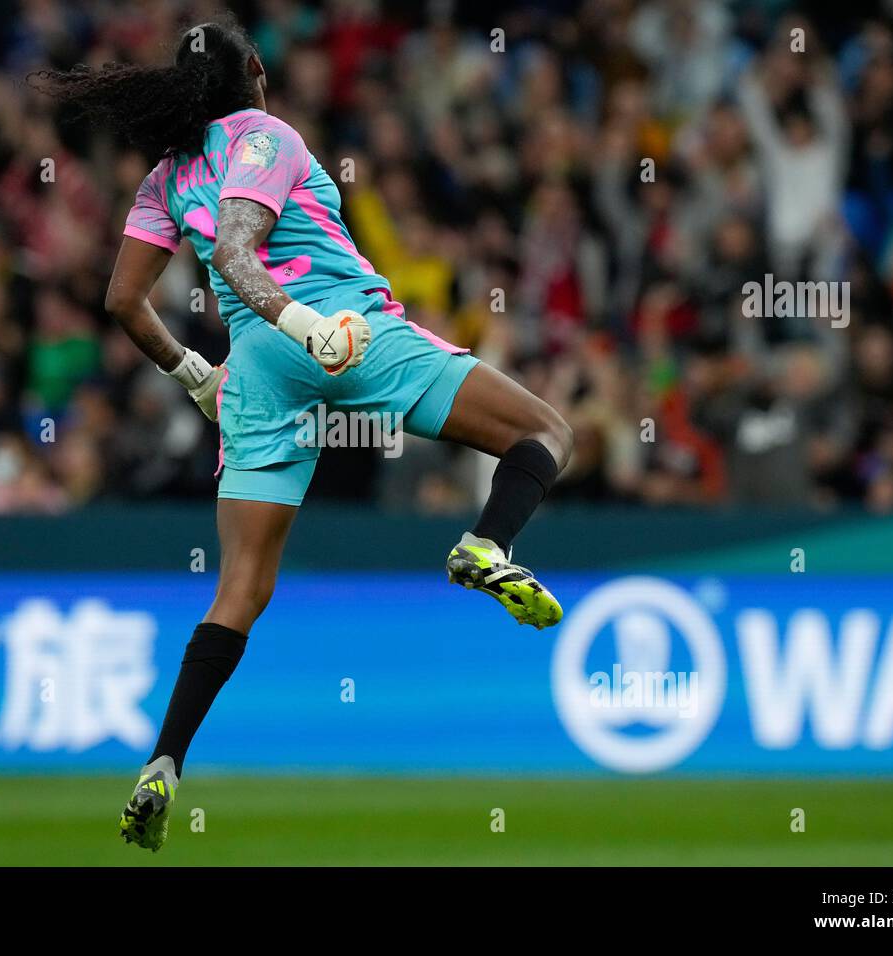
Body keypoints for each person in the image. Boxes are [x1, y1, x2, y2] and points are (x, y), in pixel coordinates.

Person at [32, 16, 573, 853]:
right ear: (255, 70)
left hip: (253, 378)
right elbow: (245, 252)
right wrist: (310, 325)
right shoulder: (266, 136)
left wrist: (195, 376)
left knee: (241, 589)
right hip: (342, 332)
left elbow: (122, 302)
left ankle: (164, 762)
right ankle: (485, 546)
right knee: (543, 430)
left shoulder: (167, 179)